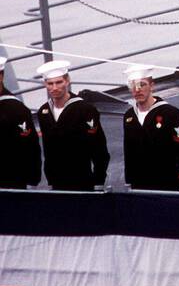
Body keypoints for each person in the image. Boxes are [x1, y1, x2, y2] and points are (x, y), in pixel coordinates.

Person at [35, 59, 110, 191]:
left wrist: (99, 181)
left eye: (59, 82)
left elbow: (99, 149)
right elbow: (48, 148)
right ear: (45, 84)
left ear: (67, 81)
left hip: (82, 179)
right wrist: (50, 178)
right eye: (50, 83)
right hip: (56, 181)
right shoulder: (44, 112)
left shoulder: (85, 110)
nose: (55, 88)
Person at [123, 64, 179, 191]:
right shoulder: (129, 117)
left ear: (152, 85)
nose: (137, 89)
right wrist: (129, 181)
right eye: (133, 86)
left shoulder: (171, 114)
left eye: (142, 84)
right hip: (140, 185)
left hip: (168, 184)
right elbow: (129, 152)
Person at [0, 55, 41, 189]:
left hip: (10, 178)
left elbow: (30, 145)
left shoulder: (16, 109)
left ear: (1, 77)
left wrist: (32, 177)